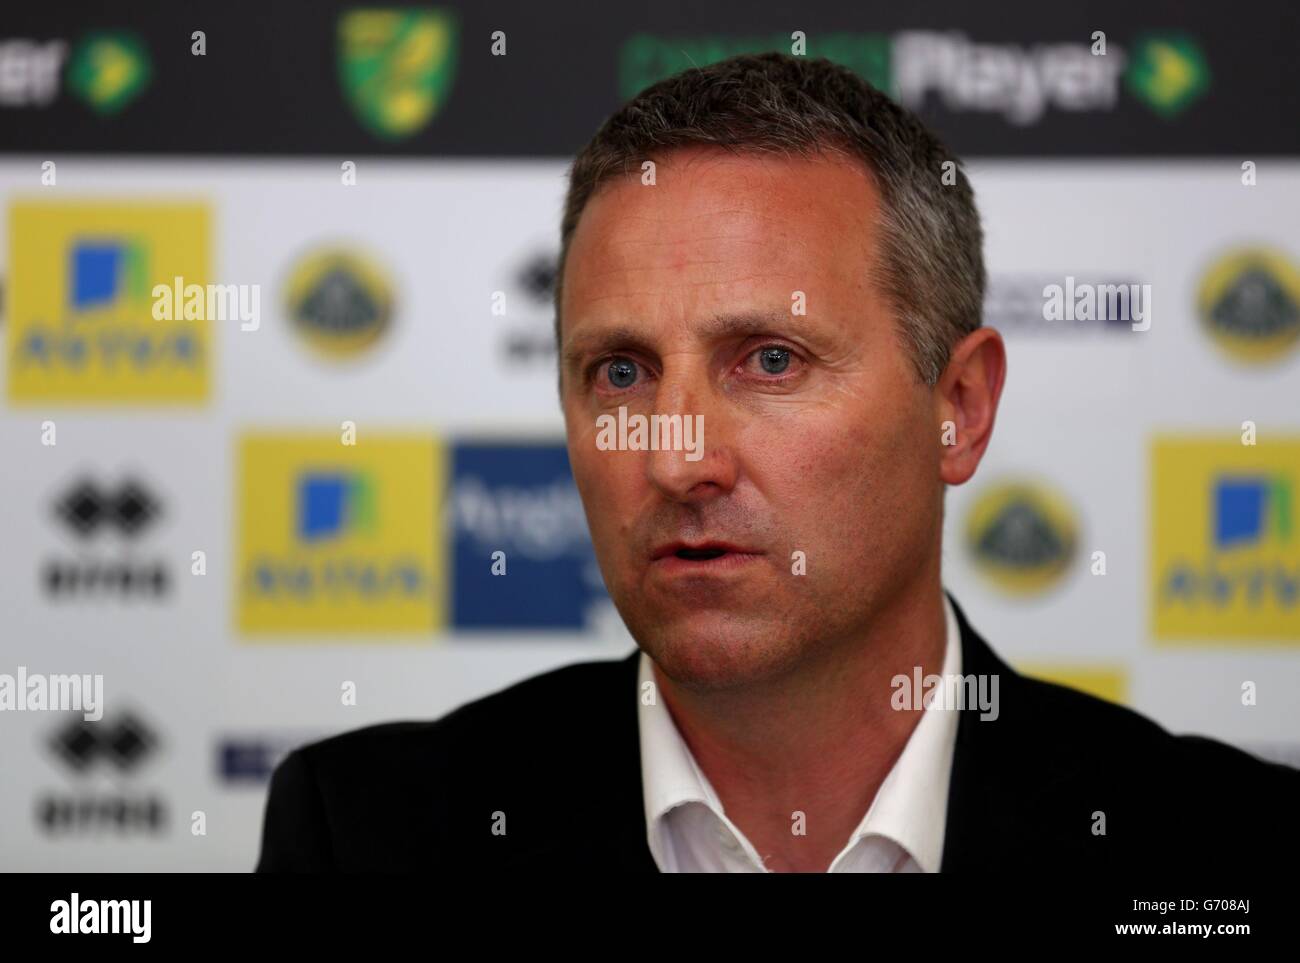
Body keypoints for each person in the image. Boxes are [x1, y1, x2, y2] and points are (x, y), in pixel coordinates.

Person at [256, 52, 1299, 873]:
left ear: (960, 409)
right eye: (619, 372)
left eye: (767, 361)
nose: (676, 461)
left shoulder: (1223, 849)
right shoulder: (371, 835)